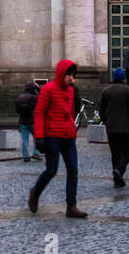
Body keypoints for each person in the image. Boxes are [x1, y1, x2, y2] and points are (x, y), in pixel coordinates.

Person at [27, 59, 87, 219]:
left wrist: (72, 127)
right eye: (70, 76)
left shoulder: (71, 90)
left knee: (73, 170)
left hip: (68, 136)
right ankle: (35, 192)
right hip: (52, 136)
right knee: (51, 170)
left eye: (73, 76)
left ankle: (71, 206)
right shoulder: (48, 90)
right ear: (62, 74)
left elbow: (72, 112)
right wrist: (39, 137)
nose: (72, 79)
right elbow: (39, 113)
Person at [100, 74, 129, 187]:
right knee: (127, 152)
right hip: (125, 128)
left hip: (111, 128)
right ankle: (119, 170)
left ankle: (117, 179)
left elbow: (102, 109)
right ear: (123, 78)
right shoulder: (127, 90)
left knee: (115, 154)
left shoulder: (106, 91)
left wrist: (105, 121)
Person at [14, 81, 41, 162]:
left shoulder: (19, 98)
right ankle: (36, 153)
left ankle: (26, 156)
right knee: (37, 138)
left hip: (23, 121)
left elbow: (17, 110)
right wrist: (38, 88)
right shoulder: (35, 97)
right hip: (33, 121)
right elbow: (44, 97)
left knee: (24, 140)